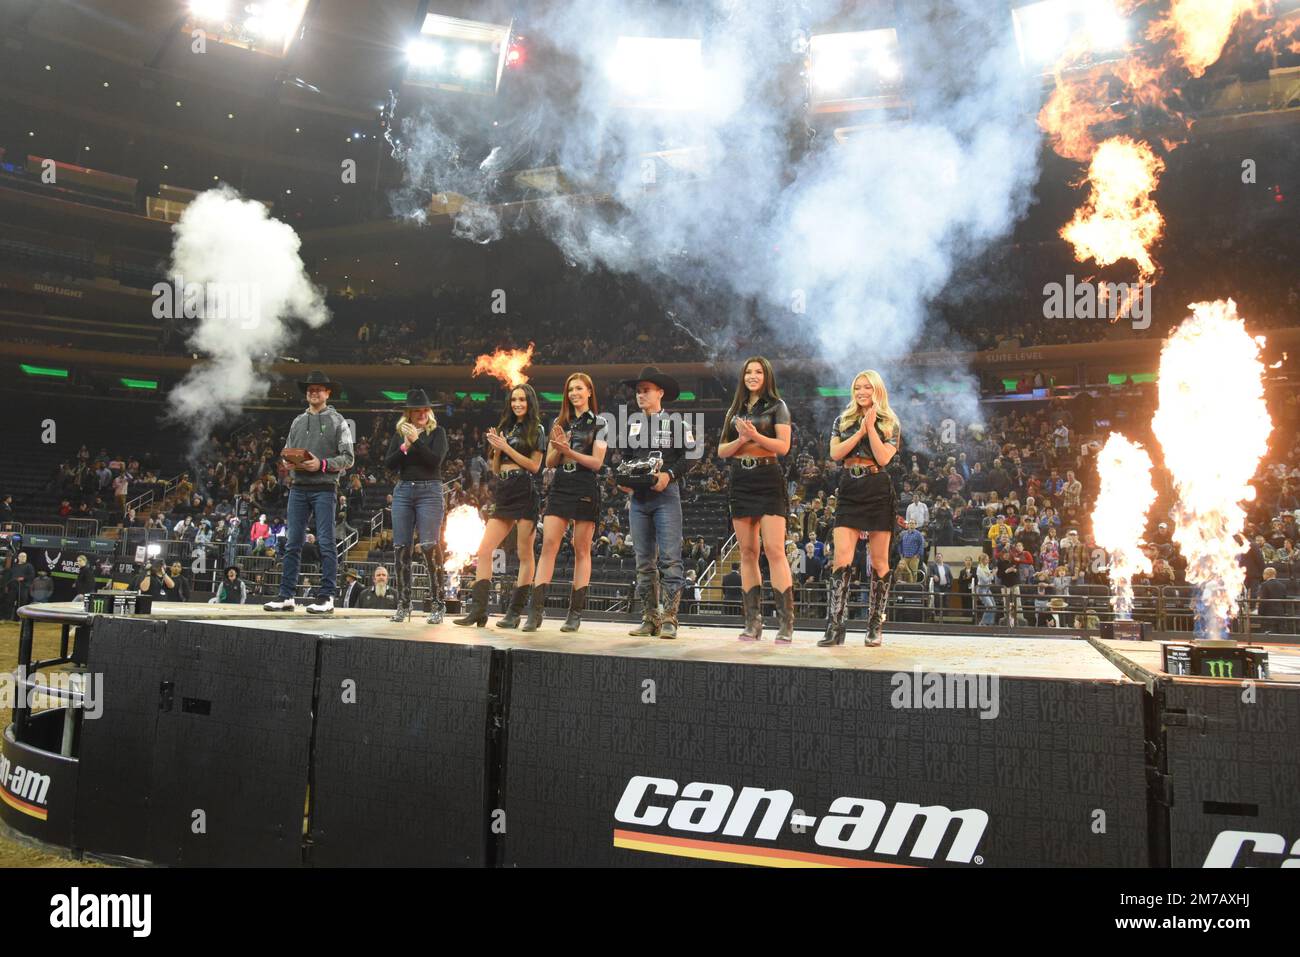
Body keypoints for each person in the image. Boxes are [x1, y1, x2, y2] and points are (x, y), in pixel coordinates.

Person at [818, 370, 900, 647]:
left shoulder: (890, 422)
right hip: (849, 488)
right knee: (841, 559)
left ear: (877, 390)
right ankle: (835, 626)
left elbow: (883, 457)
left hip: (877, 486)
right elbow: (836, 454)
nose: (862, 391)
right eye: (857, 388)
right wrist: (861, 430)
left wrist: (873, 426)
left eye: (867, 387)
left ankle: (875, 625)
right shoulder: (842, 420)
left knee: (879, 562)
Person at [717, 357, 795, 642]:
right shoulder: (735, 410)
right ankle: (753, 622)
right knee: (747, 553)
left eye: (758, 371)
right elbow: (722, 451)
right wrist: (741, 440)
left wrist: (754, 436)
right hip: (741, 480)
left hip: (768, 478)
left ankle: (786, 622)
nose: (752, 375)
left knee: (774, 549)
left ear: (767, 376)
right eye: (748, 372)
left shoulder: (777, 406)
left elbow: (783, 447)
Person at [455, 384, 545, 629]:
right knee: (484, 551)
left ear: (530, 402)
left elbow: (535, 466)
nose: (517, 404)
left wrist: (506, 448)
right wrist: (496, 451)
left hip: (524, 489)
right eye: (514, 399)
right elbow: (495, 469)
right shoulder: (506, 427)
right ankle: (478, 610)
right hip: (503, 490)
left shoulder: (537, 429)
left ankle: (514, 613)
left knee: (524, 554)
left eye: (522, 400)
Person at [263, 371, 354, 614]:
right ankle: (286, 596)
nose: (314, 393)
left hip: (324, 487)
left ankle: (326, 598)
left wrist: (321, 464)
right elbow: (286, 450)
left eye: (319, 389)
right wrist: (288, 462)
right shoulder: (297, 421)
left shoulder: (338, 421)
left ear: (328, 393)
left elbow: (349, 458)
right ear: (306, 393)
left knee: (325, 542)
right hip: (298, 487)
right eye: (310, 389)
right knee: (292, 543)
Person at [523, 373, 608, 632]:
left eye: (579, 389)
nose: (574, 393)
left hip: (585, 484)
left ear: (589, 392)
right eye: (570, 389)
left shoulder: (601, 423)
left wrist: (570, 451)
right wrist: (559, 448)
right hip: (560, 485)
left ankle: (575, 614)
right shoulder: (559, 422)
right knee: (548, 544)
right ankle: (535, 612)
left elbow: (597, 463)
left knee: (581, 549)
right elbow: (548, 463)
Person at [619, 366, 697, 639]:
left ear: (660, 393)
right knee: (643, 561)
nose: (641, 395)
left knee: (670, 559)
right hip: (639, 499)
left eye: (646, 390)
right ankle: (649, 617)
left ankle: (670, 618)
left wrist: (670, 474)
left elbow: (692, 455)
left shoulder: (678, 423)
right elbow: (625, 458)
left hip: (666, 496)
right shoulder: (631, 424)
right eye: (638, 391)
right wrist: (623, 477)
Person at [383, 389, 449, 623]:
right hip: (403, 490)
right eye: (416, 410)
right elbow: (388, 464)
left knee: (430, 545)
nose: (421, 413)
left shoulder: (438, 432)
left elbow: (434, 461)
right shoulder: (399, 435)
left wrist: (416, 441)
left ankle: (438, 604)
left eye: (425, 409)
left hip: (430, 490)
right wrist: (404, 446)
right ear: (408, 413)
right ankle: (403, 604)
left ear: (429, 412)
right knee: (401, 547)